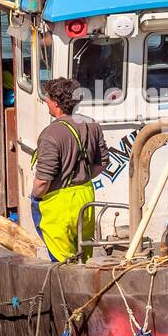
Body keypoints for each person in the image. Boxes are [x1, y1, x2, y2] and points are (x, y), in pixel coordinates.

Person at [30, 77, 108, 262]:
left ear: (56, 103)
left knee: (62, 262)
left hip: (59, 205)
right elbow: (102, 163)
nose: (45, 101)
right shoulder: (92, 125)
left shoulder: (51, 134)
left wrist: (35, 197)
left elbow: (43, 181)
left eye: (47, 98)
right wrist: (83, 178)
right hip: (86, 197)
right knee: (83, 254)